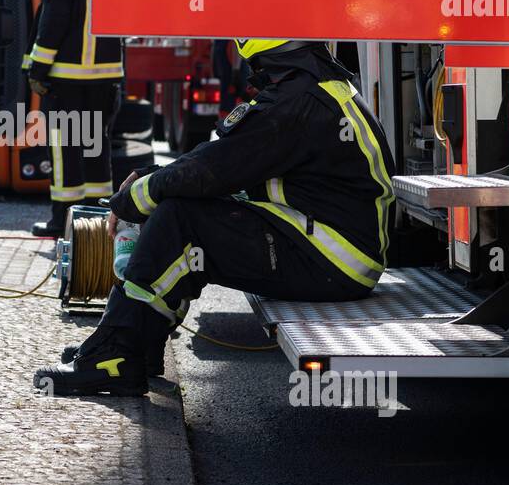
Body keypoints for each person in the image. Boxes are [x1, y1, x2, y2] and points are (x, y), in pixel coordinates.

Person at [33, 39, 396, 396]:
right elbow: (226, 164)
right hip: (333, 250)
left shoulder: (293, 103)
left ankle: (114, 357)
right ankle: (136, 345)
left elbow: (212, 170)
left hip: (330, 259)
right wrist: (155, 176)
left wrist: (132, 200)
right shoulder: (314, 89)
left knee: (181, 219)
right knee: (180, 206)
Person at [24, 0, 123, 237]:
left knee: (65, 149)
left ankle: (61, 219)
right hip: (107, 77)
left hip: (67, 79)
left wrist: (37, 66)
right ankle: (98, 226)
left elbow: (54, 19)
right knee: (97, 147)